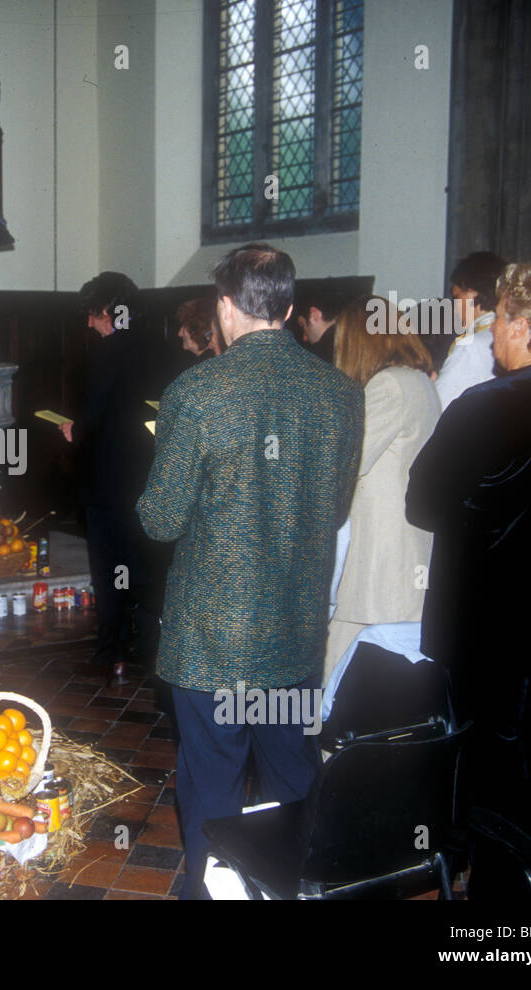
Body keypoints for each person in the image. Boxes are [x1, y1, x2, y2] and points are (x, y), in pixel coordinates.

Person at [138, 244, 363, 899]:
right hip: (294, 630)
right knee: (293, 770)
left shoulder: (197, 392)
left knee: (211, 780)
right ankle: (303, 885)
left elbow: (160, 519)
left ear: (226, 306)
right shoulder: (341, 394)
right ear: (289, 308)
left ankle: (215, 892)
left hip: (213, 638)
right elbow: (337, 505)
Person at [406, 262, 531, 818]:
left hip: (485, 633)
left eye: (499, 319)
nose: (492, 330)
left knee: (484, 785)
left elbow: (421, 501)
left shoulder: (484, 405)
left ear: (521, 325)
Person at [324, 296, 440, 682]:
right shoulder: (418, 380)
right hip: (406, 558)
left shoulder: (388, 385)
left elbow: (344, 463)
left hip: (379, 566)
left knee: (339, 689)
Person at [61, 272, 157, 679]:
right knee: (142, 566)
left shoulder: (106, 352)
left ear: (106, 310)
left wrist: (73, 430)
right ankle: (147, 649)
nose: (88, 324)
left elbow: (95, 416)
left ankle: (110, 650)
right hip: (146, 479)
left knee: (108, 569)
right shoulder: (158, 348)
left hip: (107, 483)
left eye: (91, 314)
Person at [433, 250, 507, 409]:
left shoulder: (470, 346)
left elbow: (437, 408)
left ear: (471, 294)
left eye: (456, 297)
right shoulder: (508, 338)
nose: (454, 309)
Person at [292, 285, 341, 363]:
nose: (304, 338)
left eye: (303, 326)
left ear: (315, 315)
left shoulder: (321, 355)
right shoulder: (350, 340)